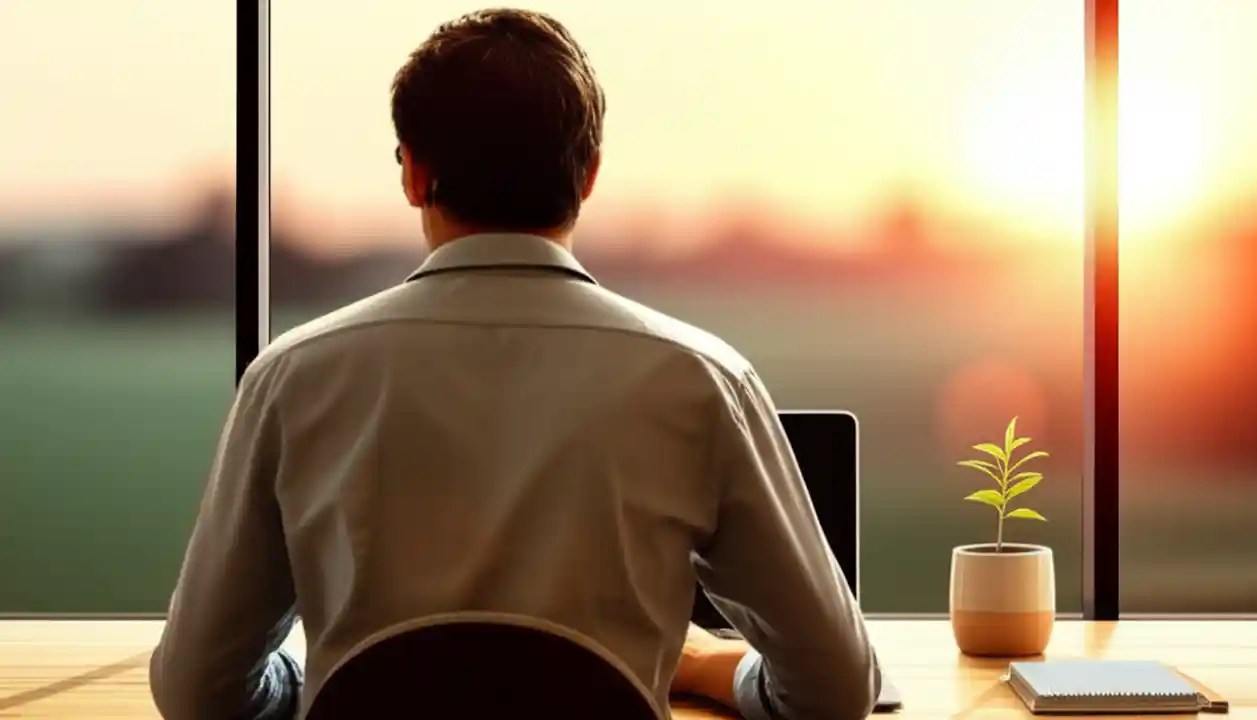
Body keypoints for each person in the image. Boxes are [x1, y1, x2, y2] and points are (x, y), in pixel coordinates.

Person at [149, 8, 880, 720]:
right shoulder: (700, 379)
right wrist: (706, 672)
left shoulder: (290, 377)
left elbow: (200, 693)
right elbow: (834, 691)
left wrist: (326, 686)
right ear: (588, 175)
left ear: (413, 174)